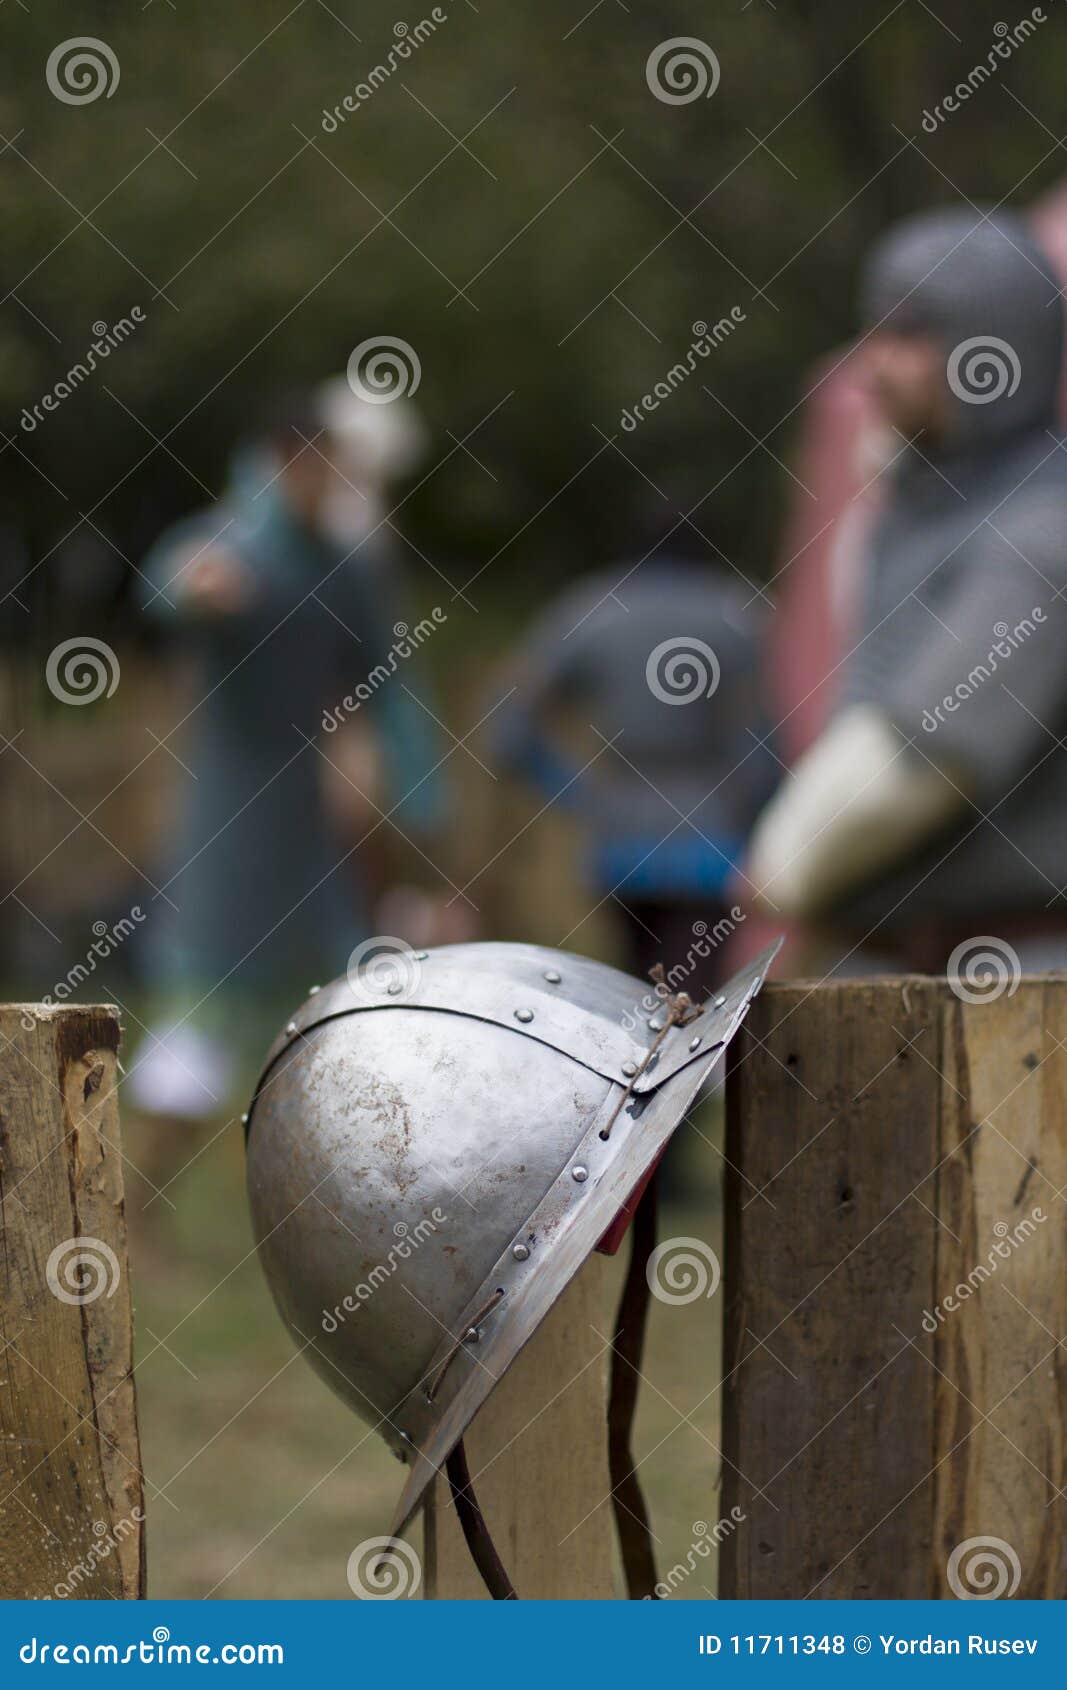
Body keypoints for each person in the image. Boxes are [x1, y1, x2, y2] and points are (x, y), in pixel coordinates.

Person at [746, 209, 1067, 973]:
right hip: (893, 970)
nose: (875, 364)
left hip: (1010, 982)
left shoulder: (1038, 533)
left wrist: (782, 863)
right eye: (875, 330)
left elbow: (923, 760)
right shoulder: (912, 513)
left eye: (912, 336)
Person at [128, 378, 446, 1120]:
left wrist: (422, 793)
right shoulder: (230, 544)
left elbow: (388, 680)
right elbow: (165, 586)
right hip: (231, 817)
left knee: (330, 1029)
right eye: (308, 466)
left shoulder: (345, 566)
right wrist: (194, 591)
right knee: (194, 1040)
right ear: (279, 463)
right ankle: (141, 1211)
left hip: (311, 821)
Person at [493, 525, 777, 1001]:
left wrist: (579, 796)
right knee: (696, 1005)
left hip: (619, 847)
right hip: (709, 845)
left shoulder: (590, 612)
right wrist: (756, 819)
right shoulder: (737, 613)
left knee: (635, 999)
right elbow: (765, 746)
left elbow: (509, 730)